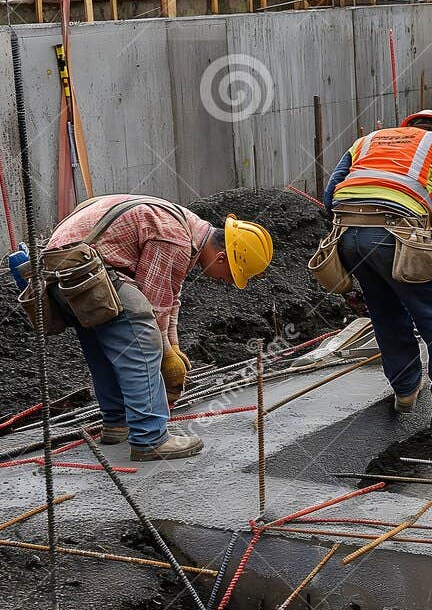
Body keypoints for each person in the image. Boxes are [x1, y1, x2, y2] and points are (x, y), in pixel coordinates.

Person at [41, 195, 273, 461]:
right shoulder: (174, 237)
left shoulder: (185, 226)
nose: (227, 283)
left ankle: (118, 422)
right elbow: (153, 305)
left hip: (65, 273)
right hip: (84, 268)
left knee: (104, 338)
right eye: (231, 275)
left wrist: (173, 347)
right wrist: (164, 355)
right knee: (140, 334)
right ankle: (150, 438)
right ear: (221, 258)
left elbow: (171, 296)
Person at [323, 109, 432, 425]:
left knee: (385, 311)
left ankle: (406, 388)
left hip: (348, 234)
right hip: (397, 234)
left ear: (405, 128)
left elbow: (330, 195)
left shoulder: (366, 142)